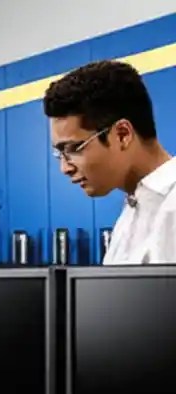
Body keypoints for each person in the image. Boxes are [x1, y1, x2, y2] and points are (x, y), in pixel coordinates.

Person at [43, 59, 175, 264]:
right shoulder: (131, 213)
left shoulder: (171, 209)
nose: (65, 168)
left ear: (122, 134)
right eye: (59, 153)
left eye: (73, 149)